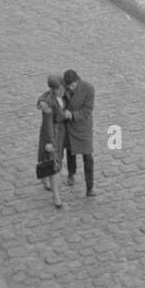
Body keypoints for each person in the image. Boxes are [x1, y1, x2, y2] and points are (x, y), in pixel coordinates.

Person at [37, 73, 68, 209]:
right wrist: (50, 141)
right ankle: (56, 196)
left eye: (62, 88)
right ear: (52, 89)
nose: (61, 91)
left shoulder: (63, 96)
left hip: (61, 132)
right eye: (57, 89)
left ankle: (44, 179)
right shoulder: (49, 102)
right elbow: (48, 123)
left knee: (49, 160)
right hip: (51, 134)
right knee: (53, 163)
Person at [63, 68, 95, 197]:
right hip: (69, 127)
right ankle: (71, 174)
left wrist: (72, 115)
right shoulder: (64, 86)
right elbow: (52, 93)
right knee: (70, 152)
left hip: (83, 128)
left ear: (77, 80)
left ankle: (90, 187)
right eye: (68, 86)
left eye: (72, 85)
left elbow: (87, 110)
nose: (70, 88)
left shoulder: (88, 88)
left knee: (88, 158)